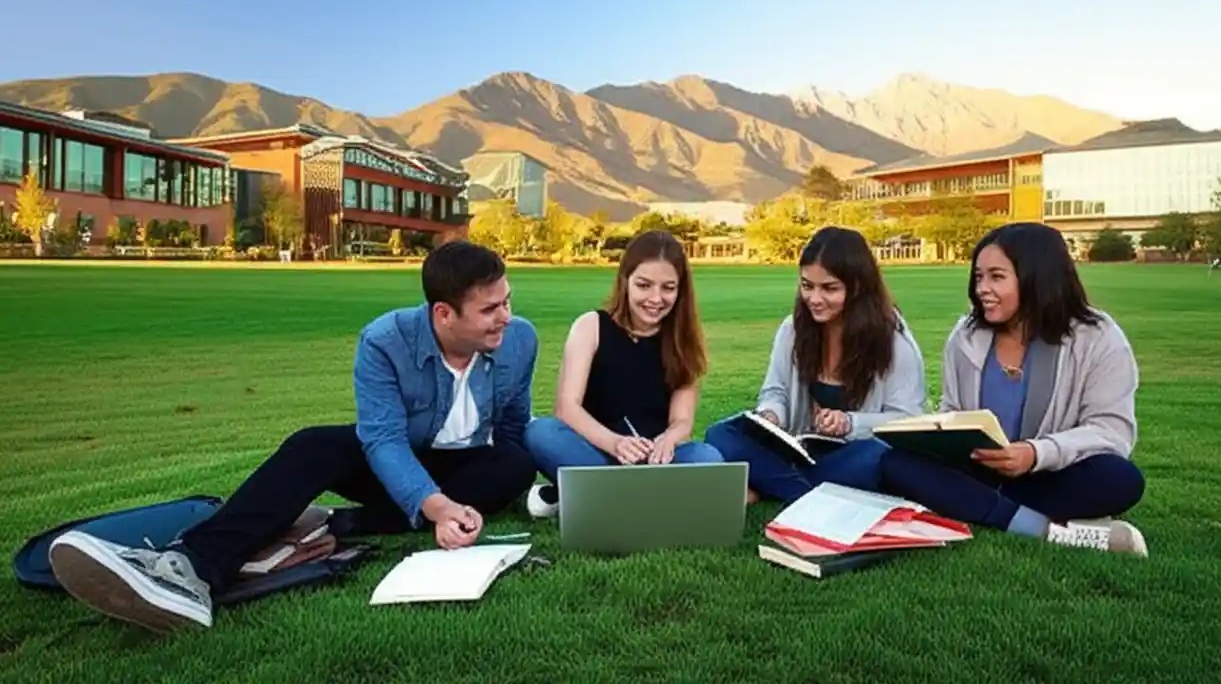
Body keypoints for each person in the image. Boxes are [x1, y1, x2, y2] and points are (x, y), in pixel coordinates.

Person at [47, 241, 540, 633]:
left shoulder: (520, 339)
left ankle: (337, 522)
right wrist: (437, 506)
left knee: (515, 463)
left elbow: (514, 425)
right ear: (444, 313)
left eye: (507, 301)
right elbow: (384, 440)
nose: (505, 316)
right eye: (490, 309)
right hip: (396, 458)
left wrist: (482, 495)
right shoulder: (385, 341)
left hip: (466, 464)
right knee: (313, 445)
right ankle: (191, 570)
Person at [877, 222, 1149, 556]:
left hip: (1051, 472)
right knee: (895, 464)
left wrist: (1036, 453)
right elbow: (953, 411)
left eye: (996, 276)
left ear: (1037, 277)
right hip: (980, 470)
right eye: (978, 277)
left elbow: (1112, 432)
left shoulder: (1098, 337)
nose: (982, 289)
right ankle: (1040, 527)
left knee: (1119, 479)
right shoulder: (965, 336)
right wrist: (938, 437)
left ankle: (976, 505)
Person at [704, 226, 927, 503]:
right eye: (807, 286)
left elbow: (907, 421)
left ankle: (777, 485)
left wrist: (849, 423)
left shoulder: (892, 340)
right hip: (799, 451)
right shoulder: (793, 330)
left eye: (829, 288)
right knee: (721, 434)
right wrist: (770, 417)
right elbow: (775, 392)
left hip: (853, 453)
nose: (815, 299)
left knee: (877, 456)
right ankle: (804, 492)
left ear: (858, 287)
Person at [523, 230, 723, 518]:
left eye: (668, 288)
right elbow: (567, 407)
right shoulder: (591, 326)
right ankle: (638, 498)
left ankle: (591, 495)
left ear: (680, 290)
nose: (656, 298)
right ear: (625, 281)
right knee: (541, 432)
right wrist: (616, 444)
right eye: (644, 285)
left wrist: (667, 440)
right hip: (596, 449)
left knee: (707, 458)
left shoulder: (683, 340)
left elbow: (682, 420)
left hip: (654, 460)